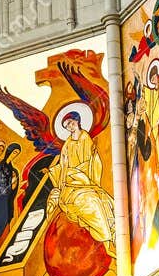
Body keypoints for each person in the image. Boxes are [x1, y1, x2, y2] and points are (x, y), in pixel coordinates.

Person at [48, 109, 116, 255]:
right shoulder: (67, 144)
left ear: (77, 121)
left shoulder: (85, 138)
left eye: (71, 123)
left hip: (84, 180)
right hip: (70, 183)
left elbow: (91, 163)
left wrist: (78, 173)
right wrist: (60, 175)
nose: (69, 127)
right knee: (82, 202)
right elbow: (64, 165)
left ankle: (110, 236)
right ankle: (107, 237)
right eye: (66, 126)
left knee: (101, 202)